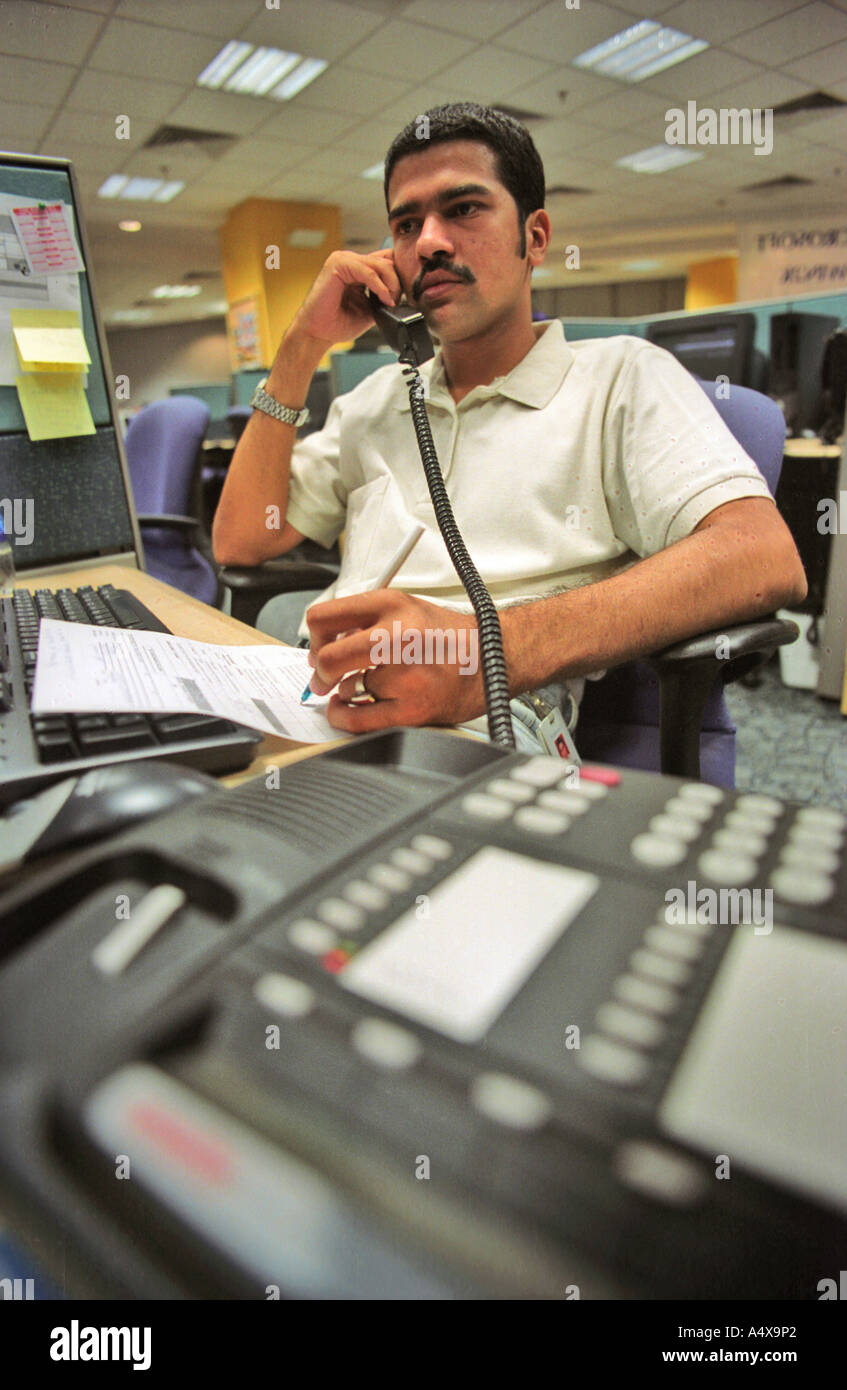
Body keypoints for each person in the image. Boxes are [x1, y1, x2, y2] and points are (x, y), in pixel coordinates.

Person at [212, 102, 806, 746]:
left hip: (491, 713)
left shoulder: (620, 377)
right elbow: (241, 544)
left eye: (464, 208)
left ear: (537, 237)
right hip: (314, 691)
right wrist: (301, 345)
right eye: (407, 224)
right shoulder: (380, 399)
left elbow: (763, 557)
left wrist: (483, 654)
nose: (430, 242)